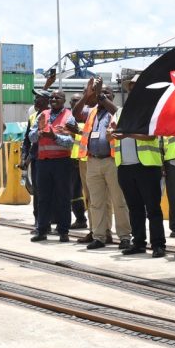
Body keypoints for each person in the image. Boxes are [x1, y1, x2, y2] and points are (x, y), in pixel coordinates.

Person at [74, 78, 131, 250]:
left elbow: (122, 118)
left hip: (112, 161)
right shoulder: (91, 112)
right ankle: (99, 236)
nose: (103, 95)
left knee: (118, 201)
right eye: (101, 92)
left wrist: (100, 96)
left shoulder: (117, 111)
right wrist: (87, 95)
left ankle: (124, 237)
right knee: (96, 202)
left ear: (113, 96)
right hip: (92, 161)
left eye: (107, 93)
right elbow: (76, 114)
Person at [111, 79, 167, 257]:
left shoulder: (151, 110)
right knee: (134, 208)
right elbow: (109, 134)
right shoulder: (120, 112)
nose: (133, 92)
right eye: (131, 89)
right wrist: (111, 132)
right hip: (125, 167)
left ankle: (158, 244)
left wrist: (126, 133)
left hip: (147, 166)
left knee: (152, 208)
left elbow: (151, 136)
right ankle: (139, 242)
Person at [28, 90, 77, 243]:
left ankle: (63, 231)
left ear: (64, 100)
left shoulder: (69, 116)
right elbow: (31, 136)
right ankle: (42, 230)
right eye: (52, 97)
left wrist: (54, 136)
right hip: (43, 162)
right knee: (43, 198)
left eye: (58, 97)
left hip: (62, 162)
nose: (54, 99)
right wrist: (40, 133)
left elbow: (70, 141)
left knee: (63, 197)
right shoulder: (43, 115)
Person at [21, 90, 51, 230]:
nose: (35, 101)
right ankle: (38, 220)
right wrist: (23, 157)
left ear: (46, 100)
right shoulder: (33, 117)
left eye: (38, 98)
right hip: (37, 159)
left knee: (53, 191)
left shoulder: (54, 115)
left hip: (53, 158)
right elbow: (27, 140)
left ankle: (52, 219)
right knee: (38, 191)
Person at [68, 94, 89, 231]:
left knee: (88, 192)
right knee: (74, 192)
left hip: (84, 160)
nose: (76, 103)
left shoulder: (87, 119)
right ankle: (80, 218)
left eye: (78, 101)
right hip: (72, 160)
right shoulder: (68, 120)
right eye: (74, 101)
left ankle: (85, 220)